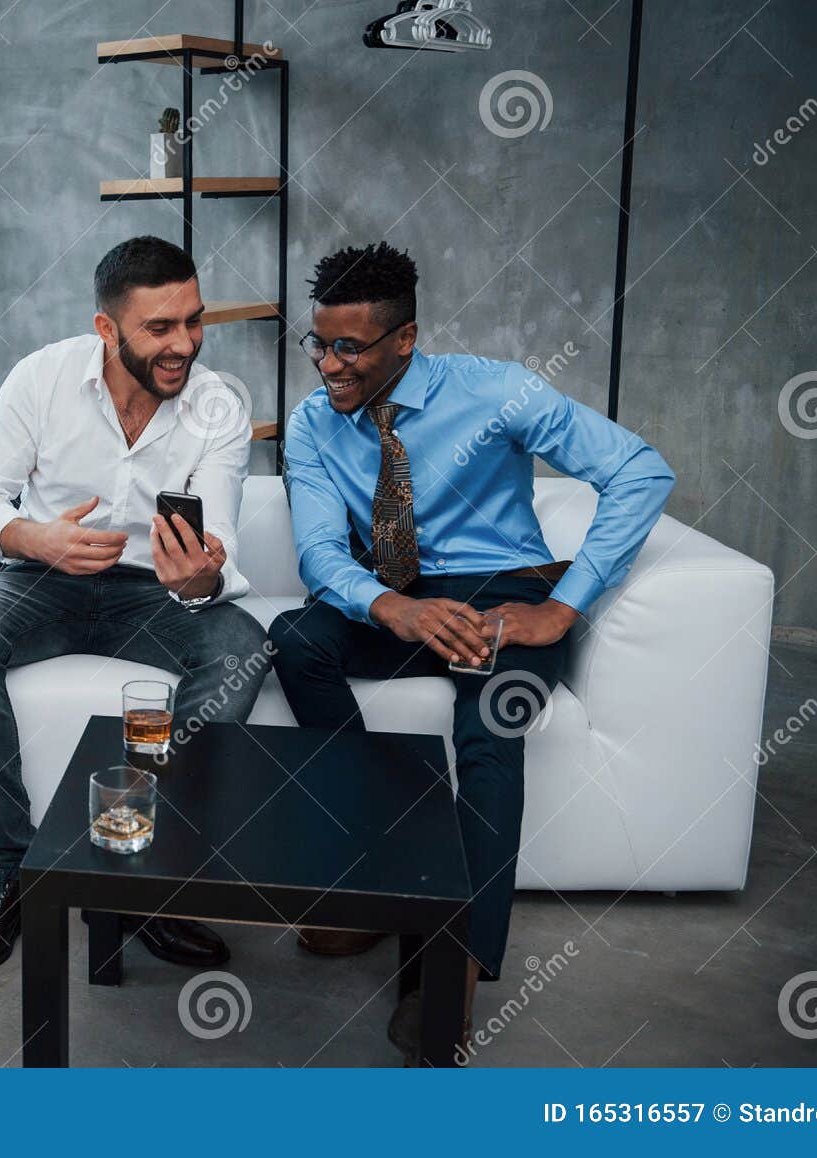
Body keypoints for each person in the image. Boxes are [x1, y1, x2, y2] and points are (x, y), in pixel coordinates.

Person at [266, 241, 674, 1061]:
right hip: (395, 598)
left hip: (503, 594)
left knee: (492, 728)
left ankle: (447, 968)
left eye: (351, 348)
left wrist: (560, 609)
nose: (329, 366)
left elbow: (640, 470)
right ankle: (377, 881)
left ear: (406, 339)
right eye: (318, 343)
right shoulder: (314, 424)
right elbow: (318, 552)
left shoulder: (498, 391)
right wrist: (392, 609)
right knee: (295, 639)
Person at [0, 236, 271, 980]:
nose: (184, 344)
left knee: (242, 642)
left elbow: (221, 539)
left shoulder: (218, 406)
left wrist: (201, 580)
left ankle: (148, 878)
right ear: (106, 330)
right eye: (160, 328)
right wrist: (31, 536)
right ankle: (11, 872)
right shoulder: (40, 379)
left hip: (154, 595)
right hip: (43, 581)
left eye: (194, 320)